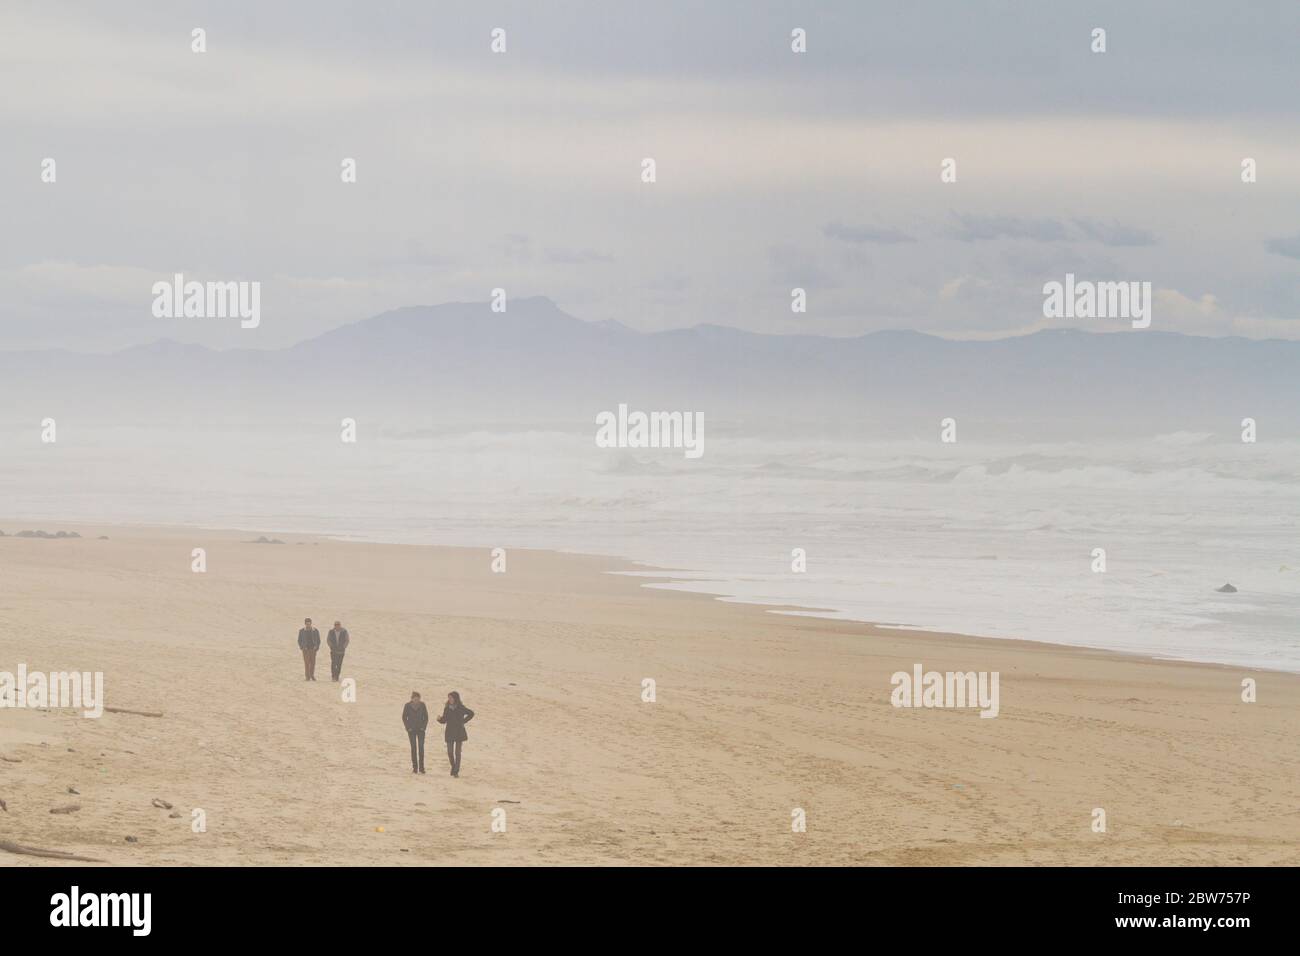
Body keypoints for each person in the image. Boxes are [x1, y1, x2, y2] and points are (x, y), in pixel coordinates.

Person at [436, 691, 475, 777]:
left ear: (455, 698)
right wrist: (439, 719)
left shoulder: (461, 707)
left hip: (459, 732)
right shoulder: (447, 708)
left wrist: (464, 721)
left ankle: (456, 771)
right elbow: (444, 720)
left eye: (451, 698)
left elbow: (471, 713)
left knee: (457, 753)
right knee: (450, 752)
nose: (449, 699)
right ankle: (453, 767)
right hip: (449, 732)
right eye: (449, 698)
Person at [402, 692, 429, 774]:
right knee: (413, 748)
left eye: (418, 699)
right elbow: (404, 717)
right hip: (411, 730)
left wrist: (423, 727)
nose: (417, 700)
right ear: (412, 698)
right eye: (415, 699)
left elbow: (426, 717)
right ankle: (415, 768)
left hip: (421, 730)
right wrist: (408, 727)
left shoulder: (422, 705)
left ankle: (421, 768)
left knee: (421, 748)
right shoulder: (407, 705)